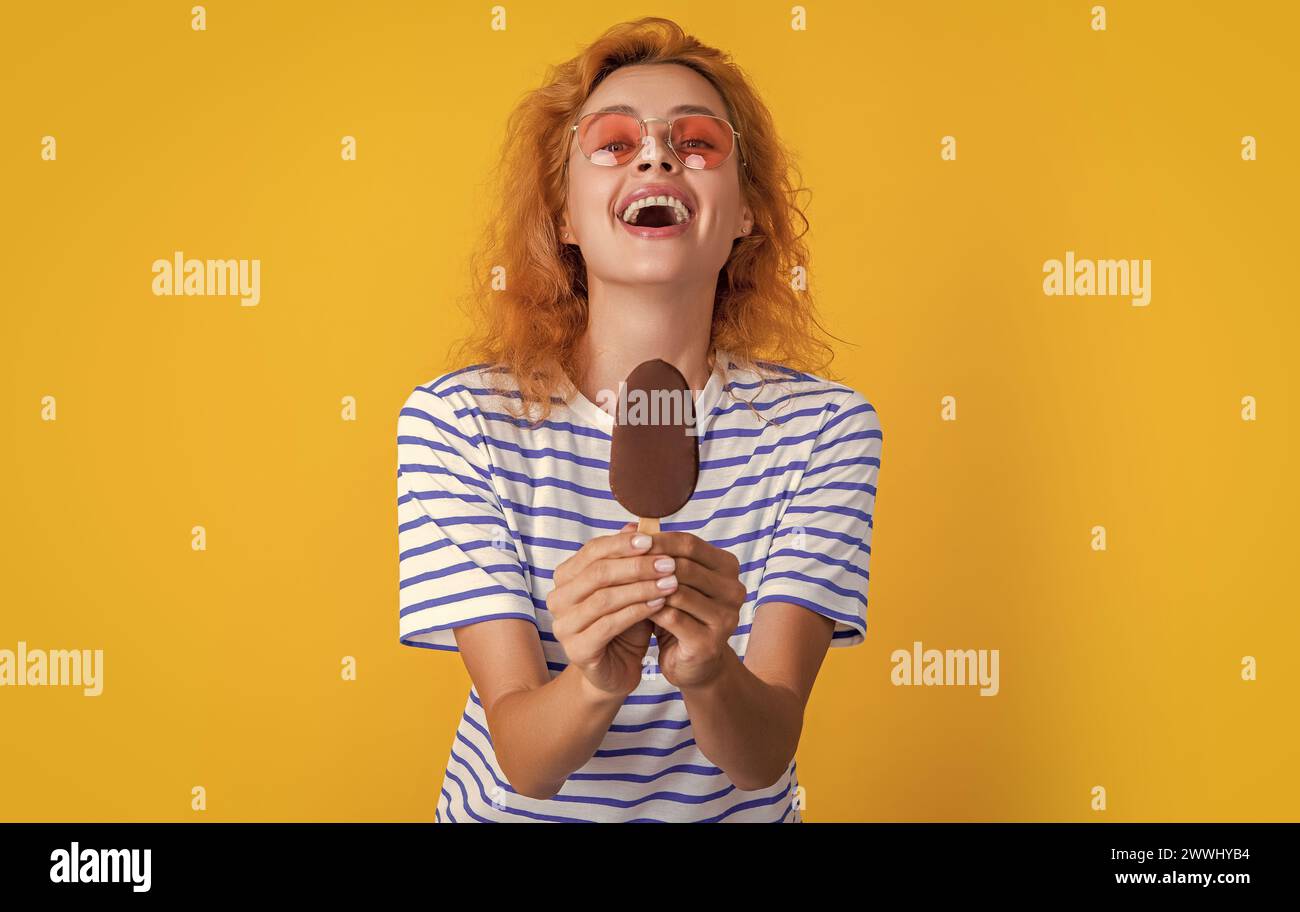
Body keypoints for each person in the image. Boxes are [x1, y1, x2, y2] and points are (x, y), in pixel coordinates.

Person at [396, 17, 882, 822]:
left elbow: (764, 757)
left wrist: (708, 669)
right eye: (615, 144)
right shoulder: (459, 424)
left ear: (745, 216)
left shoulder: (823, 431)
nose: (657, 156)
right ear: (562, 218)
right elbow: (525, 759)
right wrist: (595, 678)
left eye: (697, 142)